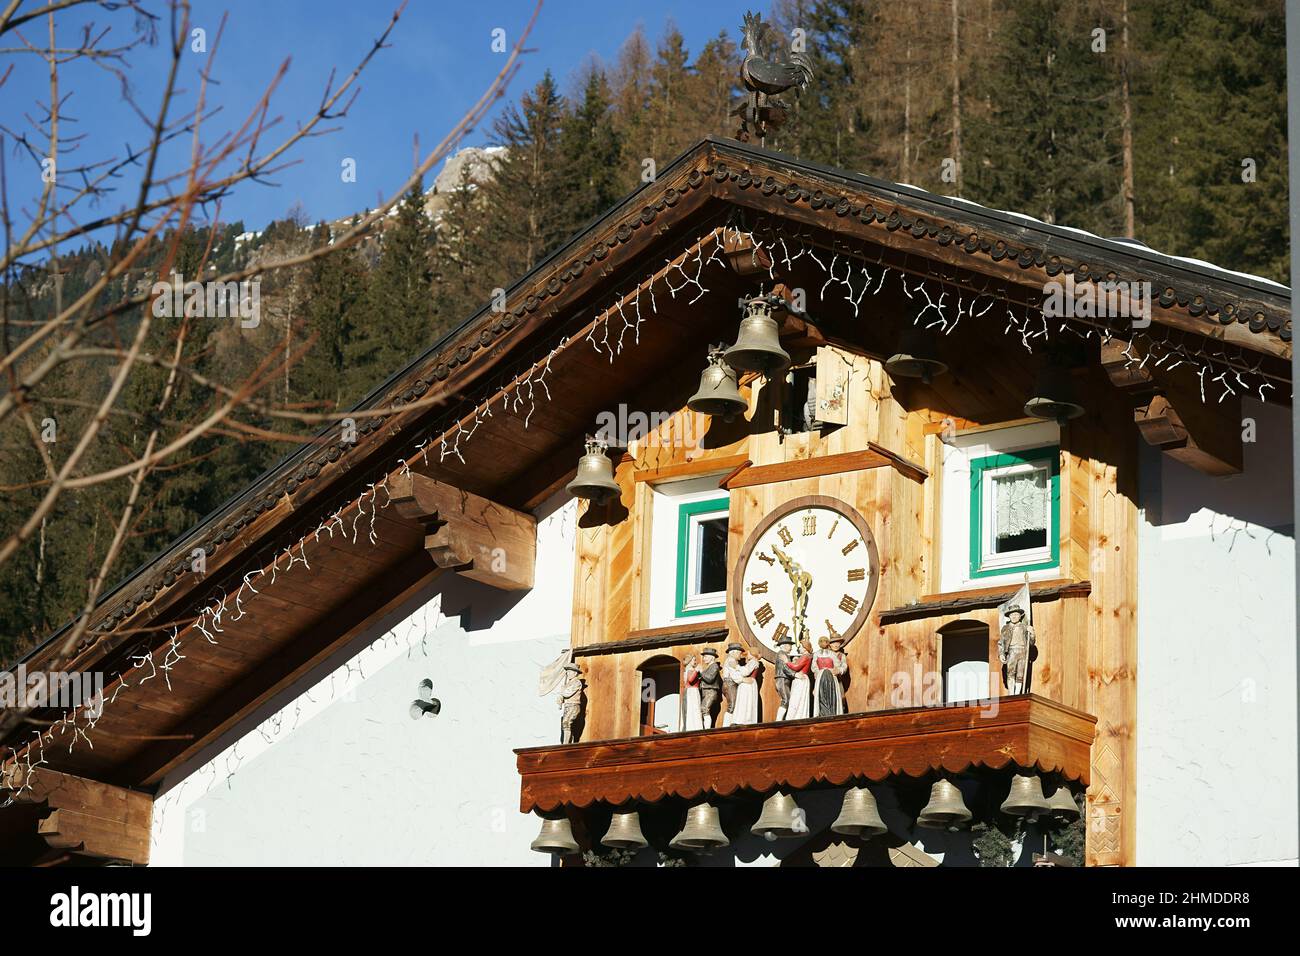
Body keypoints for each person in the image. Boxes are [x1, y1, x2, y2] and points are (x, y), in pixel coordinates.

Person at [999, 605, 1035, 695]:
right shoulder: (1005, 628)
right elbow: (1001, 642)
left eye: (1016, 614)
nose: (1014, 616)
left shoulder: (1025, 627)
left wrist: (1032, 634)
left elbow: (1031, 643)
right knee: (1011, 673)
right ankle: (1011, 693)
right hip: (1011, 651)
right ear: (1009, 616)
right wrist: (1001, 654)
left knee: (1020, 674)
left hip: (1023, 651)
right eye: (1012, 615)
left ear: (1020, 616)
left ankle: (1018, 693)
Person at [722, 643, 760, 726]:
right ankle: (726, 726)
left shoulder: (751, 661)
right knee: (732, 705)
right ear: (734, 652)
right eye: (739, 653)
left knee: (734, 705)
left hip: (736, 683)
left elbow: (744, 671)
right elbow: (735, 675)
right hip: (730, 683)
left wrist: (739, 670)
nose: (741, 655)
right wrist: (743, 679)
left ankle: (731, 724)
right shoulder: (731, 660)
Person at [813, 636, 844, 717]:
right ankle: (822, 713)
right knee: (821, 694)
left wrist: (836, 670)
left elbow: (838, 665)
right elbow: (814, 666)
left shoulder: (832, 654)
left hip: (831, 677)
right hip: (821, 677)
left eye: (825, 642)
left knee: (832, 695)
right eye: (821, 642)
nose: (823, 643)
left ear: (827, 644)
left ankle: (831, 712)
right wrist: (817, 672)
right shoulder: (816, 654)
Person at [783, 637, 813, 720]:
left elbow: (796, 667)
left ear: (805, 648)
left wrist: (787, 662)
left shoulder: (805, 656)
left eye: (800, 646)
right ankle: (796, 716)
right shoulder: (805, 656)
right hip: (800, 679)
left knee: (797, 699)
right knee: (797, 699)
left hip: (801, 679)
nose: (799, 648)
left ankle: (795, 717)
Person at [697, 647, 722, 729]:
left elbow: (710, 679)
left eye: (705, 656)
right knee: (704, 710)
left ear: (712, 657)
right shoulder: (709, 667)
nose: (704, 658)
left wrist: (701, 672)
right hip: (706, 691)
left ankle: (707, 729)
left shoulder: (714, 666)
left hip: (710, 691)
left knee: (704, 709)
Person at [682, 655, 704, 732]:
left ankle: (696, 726)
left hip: (695, 691)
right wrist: (696, 670)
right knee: (692, 709)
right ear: (689, 661)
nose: (695, 662)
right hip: (691, 692)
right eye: (694, 660)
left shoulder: (691, 670)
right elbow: (690, 680)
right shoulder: (689, 670)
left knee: (695, 708)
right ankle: (691, 727)